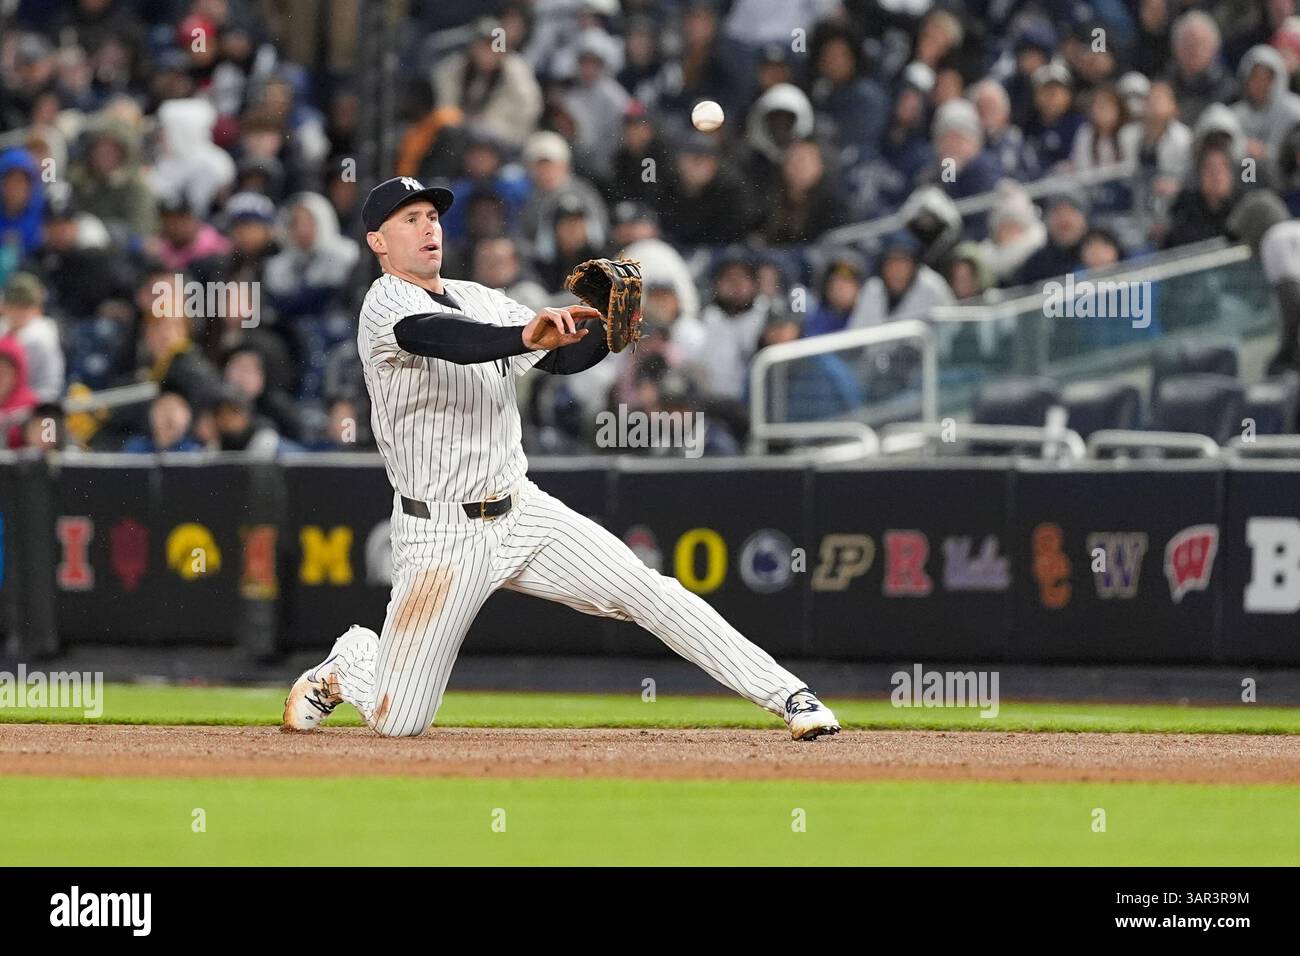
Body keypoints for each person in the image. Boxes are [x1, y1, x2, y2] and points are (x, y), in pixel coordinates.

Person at [282, 176, 840, 741]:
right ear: (378, 242)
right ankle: (350, 663)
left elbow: (558, 359)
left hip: (521, 511)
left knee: (647, 591)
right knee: (400, 721)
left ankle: (790, 696)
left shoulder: (481, 297)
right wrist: (524, 335)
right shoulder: (385, 304)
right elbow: (443, 338)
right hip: (439, 536)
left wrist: (604, 326)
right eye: (410, 219)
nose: (429, 226)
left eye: (432, 215)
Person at [0, 272, 63, 402]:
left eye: (25, 307)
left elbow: (50, 388)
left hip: (27, 409)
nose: (17, 312)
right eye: (13, 305)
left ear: (38, 309)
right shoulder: (2, 330)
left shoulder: (43, 339)